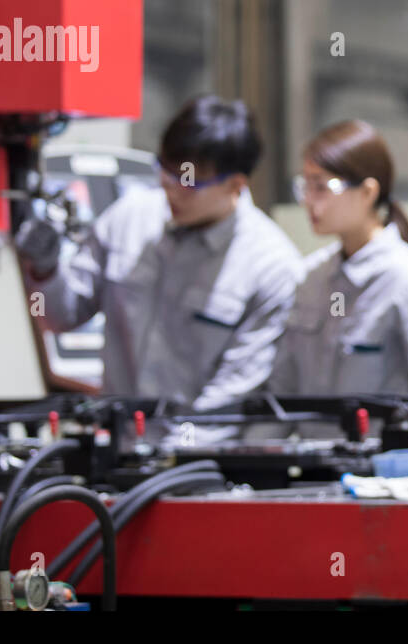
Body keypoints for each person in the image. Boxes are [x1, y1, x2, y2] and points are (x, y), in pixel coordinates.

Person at [17, 95, 305, 414]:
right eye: (165, 171)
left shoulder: (271, 267)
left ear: (234, 185)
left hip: (204, 455)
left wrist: (171, 455)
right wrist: (45, 270)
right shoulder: (128, 218)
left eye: (188, 182)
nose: (170, 188)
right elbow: (60, 318)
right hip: (118, 443)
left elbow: (233, 395)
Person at [269, 120, 408, 429]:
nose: (308, 200)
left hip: (382, 474)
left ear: (367, 192)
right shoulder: (311, 280)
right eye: (305, 186)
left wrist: (398, 454)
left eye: (322, 186)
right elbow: (280, 395)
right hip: (312, 472)